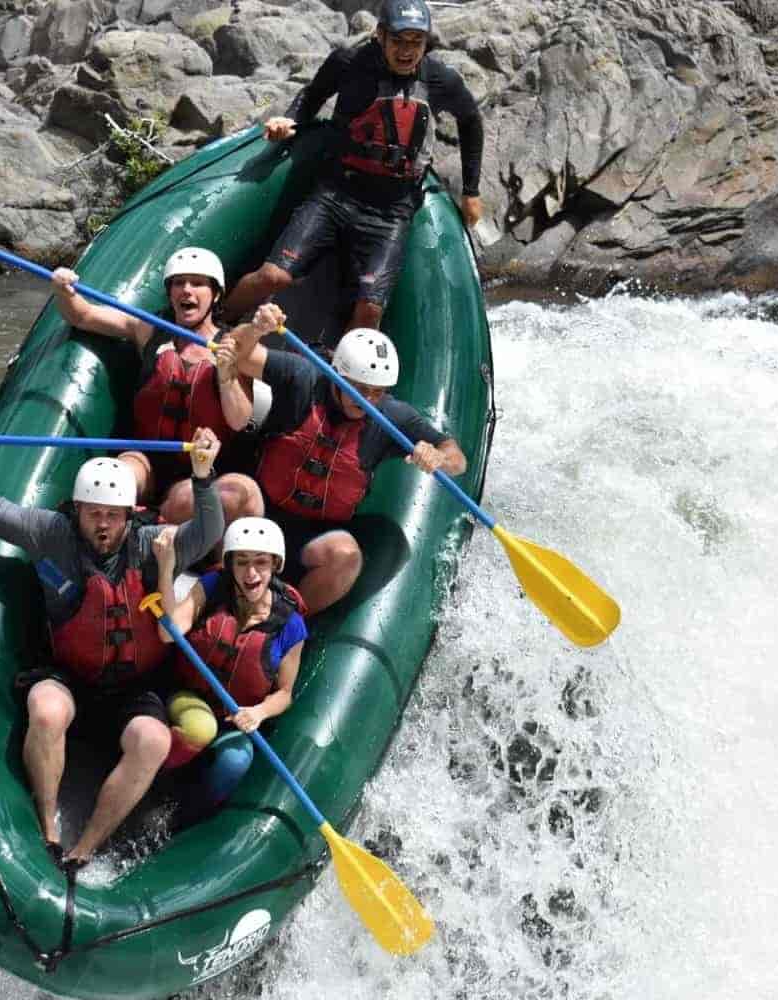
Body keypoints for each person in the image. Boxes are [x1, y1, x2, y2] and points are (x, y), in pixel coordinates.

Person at [0, 423, 227, 868]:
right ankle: (48, 831)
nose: (103, 524)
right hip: (69, 677)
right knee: (47, 711)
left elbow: (207, 531)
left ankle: (85, 848)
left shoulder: (152, 544)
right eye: (93, 513)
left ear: (130, 515)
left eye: (112, 515)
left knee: (153, 741)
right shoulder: (50, 532)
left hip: (132, 688)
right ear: (78, 510)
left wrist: (203, 477)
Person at [223, 0, 485, 332]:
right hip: (335, 195)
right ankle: (217, 322)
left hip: (393, 211)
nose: (407, 51)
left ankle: (346, 380)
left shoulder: (440, 79)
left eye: (416, 42)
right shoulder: (349, 62)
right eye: (399, 41)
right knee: (273, 276)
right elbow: (312, 95)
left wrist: (471, 192)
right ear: (380, 36)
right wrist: (289, 120)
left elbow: (471, 121)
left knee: (371, 309)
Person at [233, 316, 466, 613]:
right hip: (262, 512)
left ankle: (286, 622)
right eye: (360, 388)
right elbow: (237, 354)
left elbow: (458, 459)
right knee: (234, 491)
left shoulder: (391, 417)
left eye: (377, 391)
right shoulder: (302, 377)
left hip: (313, 539)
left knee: (346, 555)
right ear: (338, 376)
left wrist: (439, 458)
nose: (368, 399)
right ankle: (220, 585)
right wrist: (256, 328)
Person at [49, 248, 265, 525]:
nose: (187, 290)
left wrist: (226, 376)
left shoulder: (231, 345)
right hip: (148, 462)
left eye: (198, 283)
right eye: (178, 283)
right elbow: (83, 316)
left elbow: (239, 420)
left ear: (216, 294)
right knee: (114, 477)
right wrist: (63, 290)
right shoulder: (148, 329)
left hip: (207, 468)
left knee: (233, 494)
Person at [152, 516, 308, 829]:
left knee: (236, 759)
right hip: (186, 695)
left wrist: (260, 712)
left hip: (235, 717)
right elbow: (169, 633)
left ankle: (182, 823)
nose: (251, 573)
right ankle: (149, 787)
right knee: (200, 727)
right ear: (230, 565)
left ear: (275, 565)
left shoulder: (291, 625)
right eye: (242, 562)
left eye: (261, 563)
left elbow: (284, 693)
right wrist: (166, 569)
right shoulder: (212, 587)